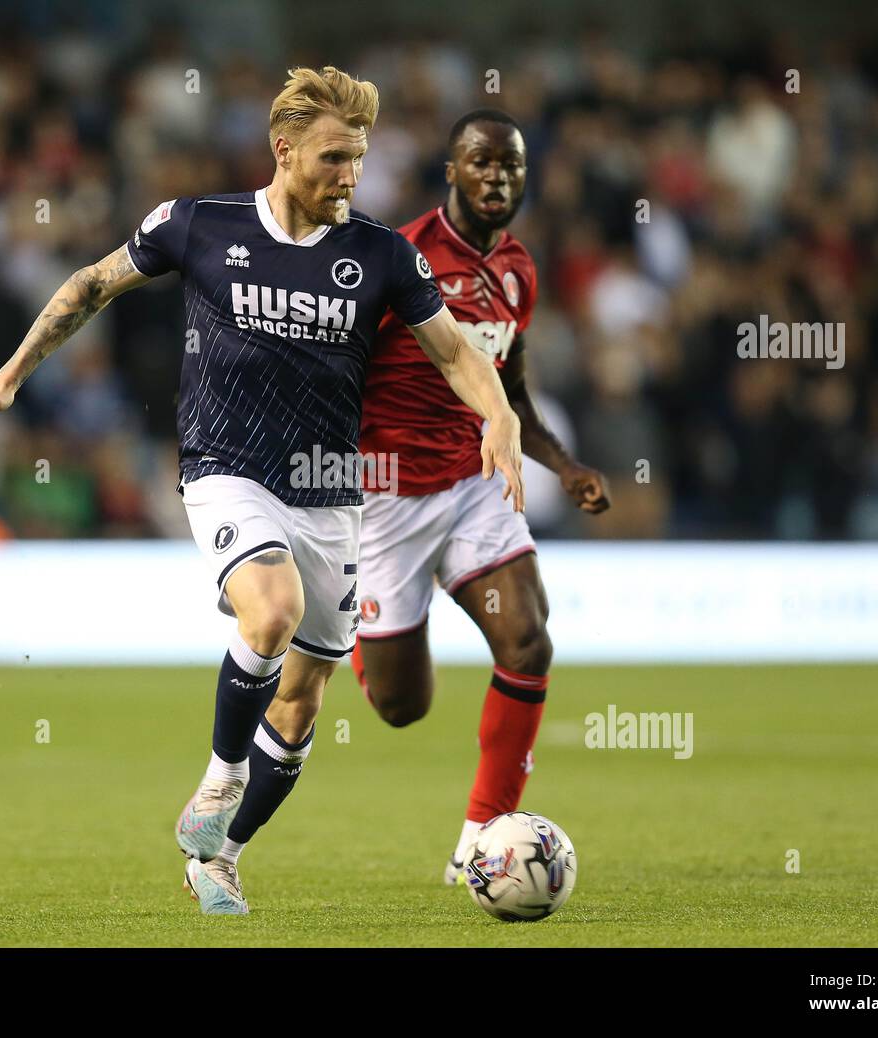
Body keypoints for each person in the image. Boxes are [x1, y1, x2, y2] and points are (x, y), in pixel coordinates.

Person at [0, 69, 525, 914]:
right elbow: (90, 286)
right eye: (333, 158)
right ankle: (219, 781)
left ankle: (221, 853)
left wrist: (499, 418)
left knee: (302, 700)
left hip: (330, 490)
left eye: (358, 160)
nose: (350, 176)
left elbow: (456, 355)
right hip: (227, 469)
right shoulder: (198, 225)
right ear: (284, 151)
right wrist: (10, 377)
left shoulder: (381, 255)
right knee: (271, 610)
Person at [353, 109, 610, 883]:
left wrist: (564, 467)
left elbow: (513, 390)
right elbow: (339, 366)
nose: (498, 177)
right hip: (387, 496)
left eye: (512, 165)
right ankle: (359, 630)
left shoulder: (520, 271)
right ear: (452, 171)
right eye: (482, 162)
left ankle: (482, 835)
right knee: (403, 707)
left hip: (473, 480)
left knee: (529, 637)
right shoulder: (400, 258)